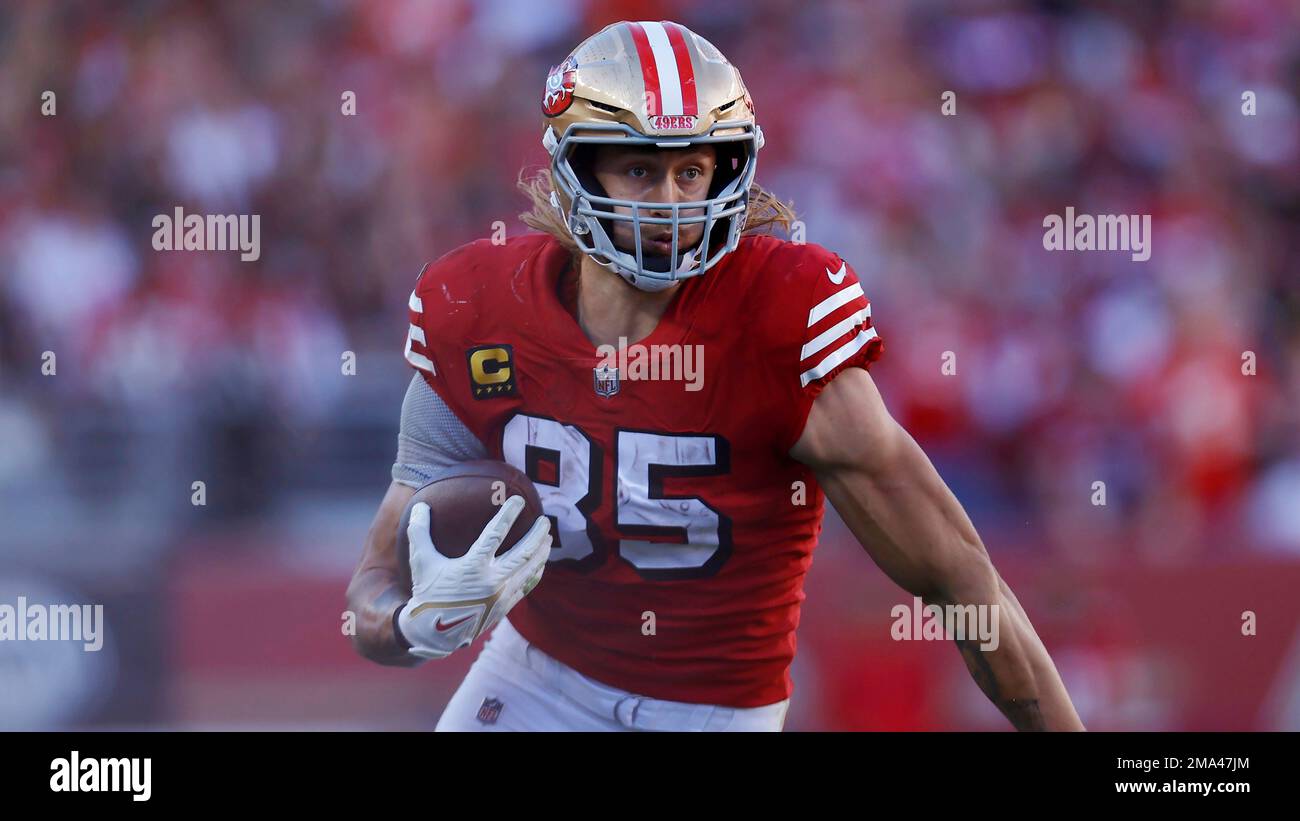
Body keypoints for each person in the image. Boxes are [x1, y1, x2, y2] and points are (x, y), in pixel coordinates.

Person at [346, 20, 1084, 732]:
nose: (672, 203)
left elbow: (960, 580)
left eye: (692, 170)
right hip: (535, 679)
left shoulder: (776, 321)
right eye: (640, 169)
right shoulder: (478, 308)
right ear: (574, 169)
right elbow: (374, 586)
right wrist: (413, 625)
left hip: (712, 713)